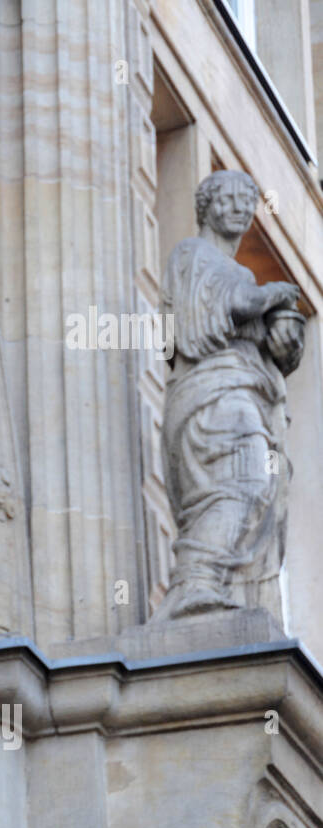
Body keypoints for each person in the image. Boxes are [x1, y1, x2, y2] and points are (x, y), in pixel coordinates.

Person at [154, 170, 304, 622]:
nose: (240, 206)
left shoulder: (237, 273)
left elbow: (260, 337)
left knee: (254, 490)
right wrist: (271, 295)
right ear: (207, 206)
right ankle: (196, 583)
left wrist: (283, 339)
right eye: (229, 197)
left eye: (247, 199)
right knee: (244, 482)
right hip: (213, 395)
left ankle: (216, 588)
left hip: (242, 392)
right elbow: (215, 312)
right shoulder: (192, 254)